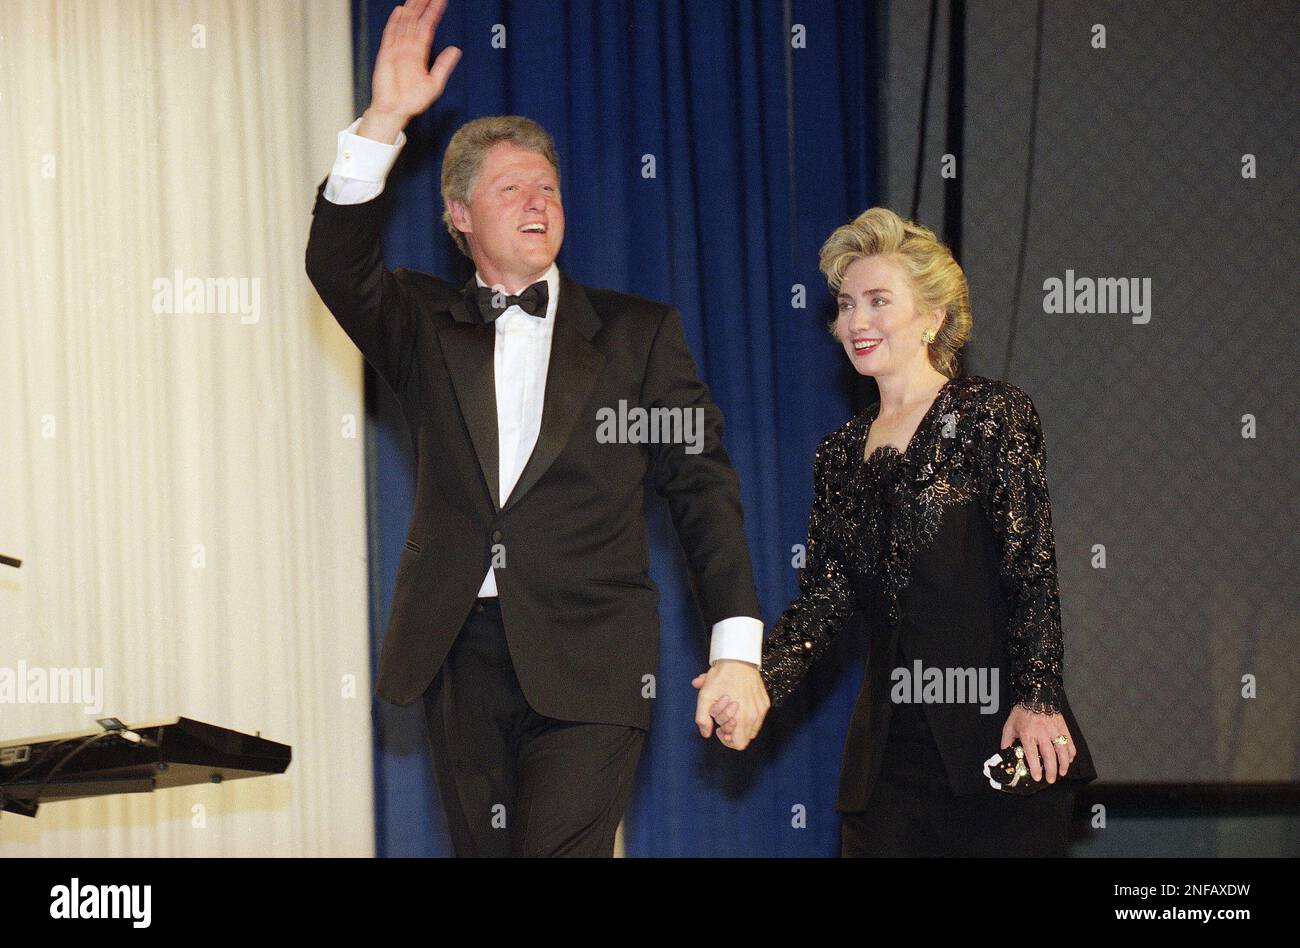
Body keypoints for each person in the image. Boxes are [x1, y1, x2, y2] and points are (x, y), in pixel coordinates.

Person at [305, 0, 767, 856]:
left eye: (548, 187)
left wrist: (737, 648)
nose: (536, 200)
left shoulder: (637, 334)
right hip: (460, 653)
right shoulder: (423, 323)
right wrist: (381, 122)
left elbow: (701, 488)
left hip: (593, 660)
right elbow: (336, 262)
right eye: (510, 186)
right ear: (458, 216)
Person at [707, 207, 1098, 856]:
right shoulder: (838, 452)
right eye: (845, 305)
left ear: (933, 316)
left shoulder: (989, 415)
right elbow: (825, 604)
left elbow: (1030, 569)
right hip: (889, 758)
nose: (856, 322)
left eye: (878, 301)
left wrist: (1037, 695)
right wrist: (758, 680)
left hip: (1002, 734)